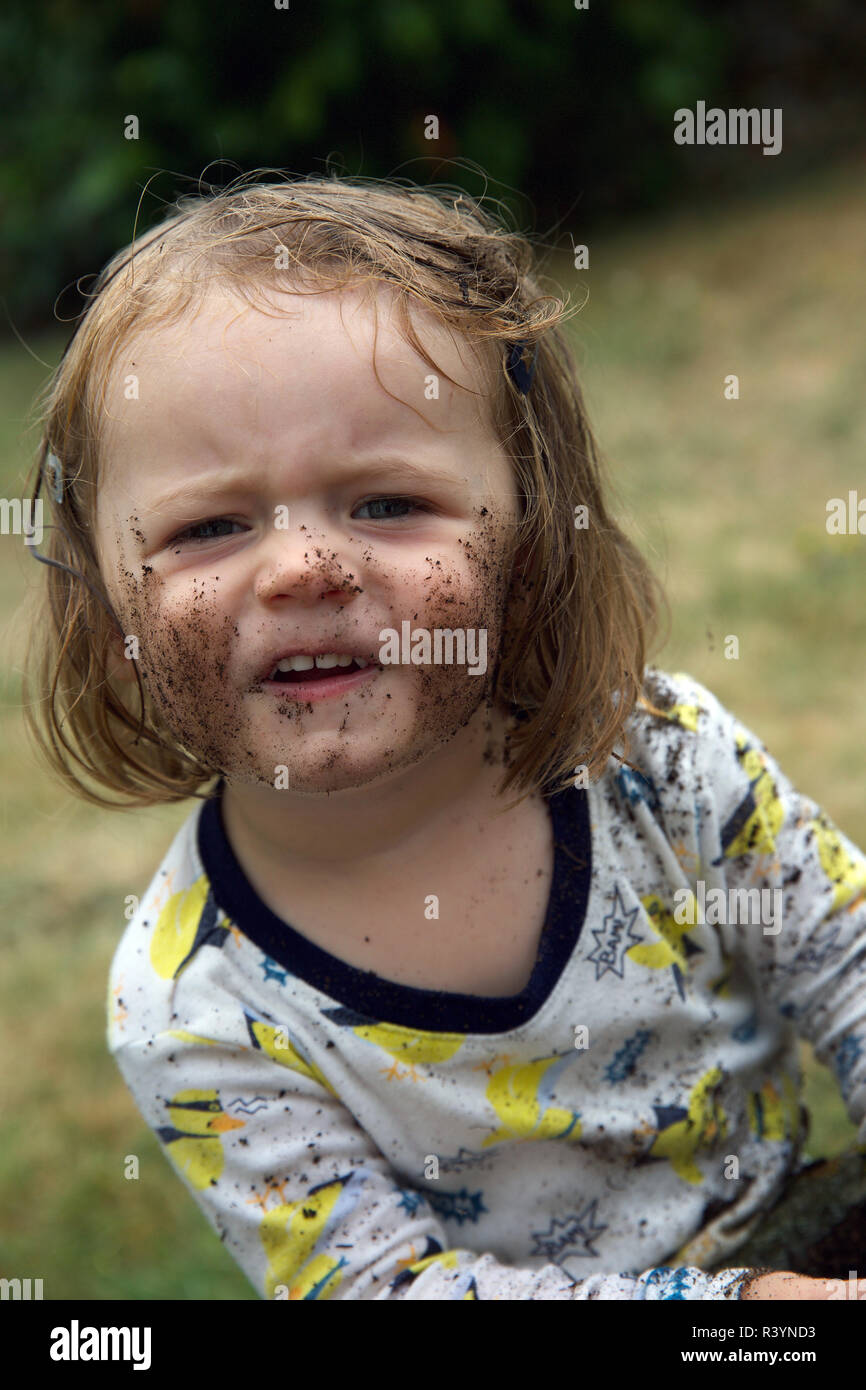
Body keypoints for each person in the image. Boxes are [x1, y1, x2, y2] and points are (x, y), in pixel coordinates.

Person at [22, 173, 866, 1301]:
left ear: (528, 526)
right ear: (107, 600)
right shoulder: (195, 1006)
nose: (301, 569)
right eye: (208, 527)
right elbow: (385, 1292)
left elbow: (848, 966)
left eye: (386, 503)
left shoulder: (652, 756)